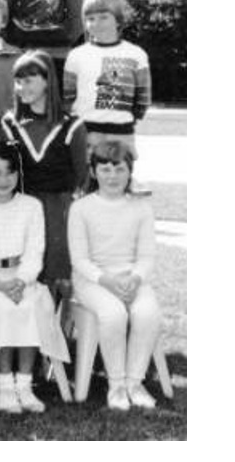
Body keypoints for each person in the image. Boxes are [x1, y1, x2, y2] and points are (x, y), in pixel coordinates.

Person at [0, 142, 70, 414]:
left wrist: (21, 280)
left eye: (10, 172)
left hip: (24, 278)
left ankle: (25, 382)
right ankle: (5, 383)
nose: (3, 180)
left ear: (18, 174)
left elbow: (35, 250)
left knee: (30, 306)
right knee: (3, 308)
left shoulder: (31, 206)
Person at [68, 139, 161, 411]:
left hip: (131, 278)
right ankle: (116, 385)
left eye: (119, 169)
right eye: (105, 169)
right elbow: (80, 260)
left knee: (147, 312)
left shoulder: (141, 207)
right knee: (113, 314)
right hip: (92, 281)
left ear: (129, 171)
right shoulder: (81, 208)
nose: (112, 176)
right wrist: (107, 280)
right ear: (94, 172)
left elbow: (146, 256)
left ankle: (135, 382)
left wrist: (134, 278)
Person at [0, 50, 87, 297]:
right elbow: (5, 174)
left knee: (58, 276)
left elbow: (82, 178)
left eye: (28, 80)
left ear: (47, 80)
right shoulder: (10, 124)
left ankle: (62, 330)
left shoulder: (72, 125)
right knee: (26, 276)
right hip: (22, 209)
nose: (21, 87)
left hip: (59, 211)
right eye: (18, 81)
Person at [63, 0, 152, 160]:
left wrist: (130, 118)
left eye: (104, 17)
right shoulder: (76, 56)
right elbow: (68, 97)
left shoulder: (136, 54)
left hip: (122, 131)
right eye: (90, 19)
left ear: (118, 20)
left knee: (118, 179)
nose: (96, 23)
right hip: (85, 131)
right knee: (85, 182)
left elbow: (142, 97)